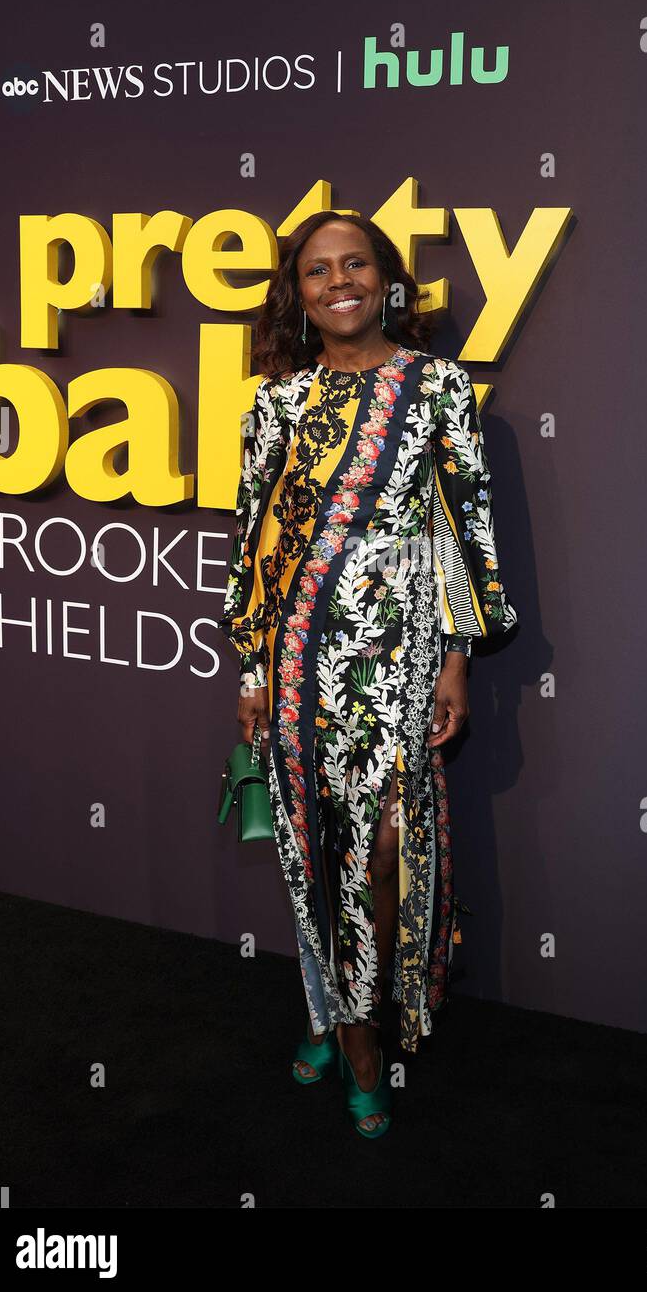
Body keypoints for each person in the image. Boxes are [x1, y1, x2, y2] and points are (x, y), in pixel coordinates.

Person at [218, 211, 518, 1138]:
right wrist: (251, 674)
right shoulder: (276, 406)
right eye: (316, 269)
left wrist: (457, 660)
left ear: (387, 280)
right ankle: (350, 1034)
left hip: (400, 662)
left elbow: (463, 535)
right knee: (313, 853)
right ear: (297, 293)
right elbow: (254, 545)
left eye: (356, 264)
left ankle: (346, 1010)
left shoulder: (438, 392)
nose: (337, 281)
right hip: (301, 665)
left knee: (386, 852)